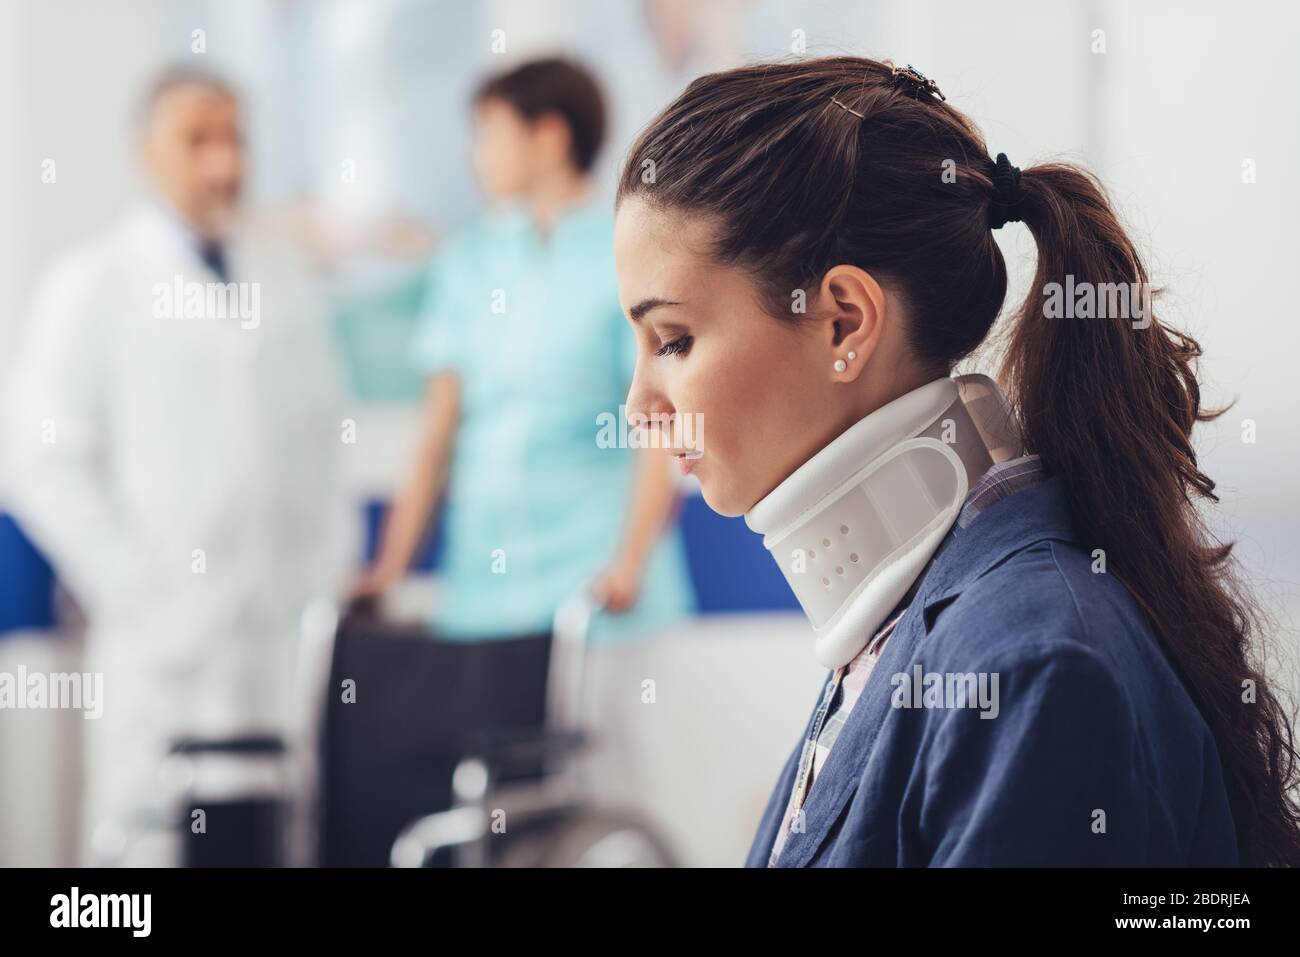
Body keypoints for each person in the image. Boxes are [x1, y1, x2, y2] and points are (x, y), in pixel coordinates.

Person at [612, 56, 1300, 866]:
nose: (636, 409)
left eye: (674, 341)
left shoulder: (1030, 667)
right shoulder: (904, 636)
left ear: (843, 321)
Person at [336, 59, 693, 865]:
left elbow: (654, 426)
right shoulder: (467, 264)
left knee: (609, 803)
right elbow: (437, 435)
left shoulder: (622, 252)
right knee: (492, 811)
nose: (476, 155)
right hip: (485, 597)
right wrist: (389, 566)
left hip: (596, 590)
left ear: (549, 135)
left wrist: (630, 560)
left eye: (488, 133)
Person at [5, 66, 354, 864]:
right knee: (146, 859)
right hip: (162, 652)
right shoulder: (91, 283)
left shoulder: (285, 281)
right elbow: (44, 463)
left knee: (272, 839)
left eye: (235, 137)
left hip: (275, 644)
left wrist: (327, 576)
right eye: (198, 140)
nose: (224, 163)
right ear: (146, 153)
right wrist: (142, 591)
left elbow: (323, 444)